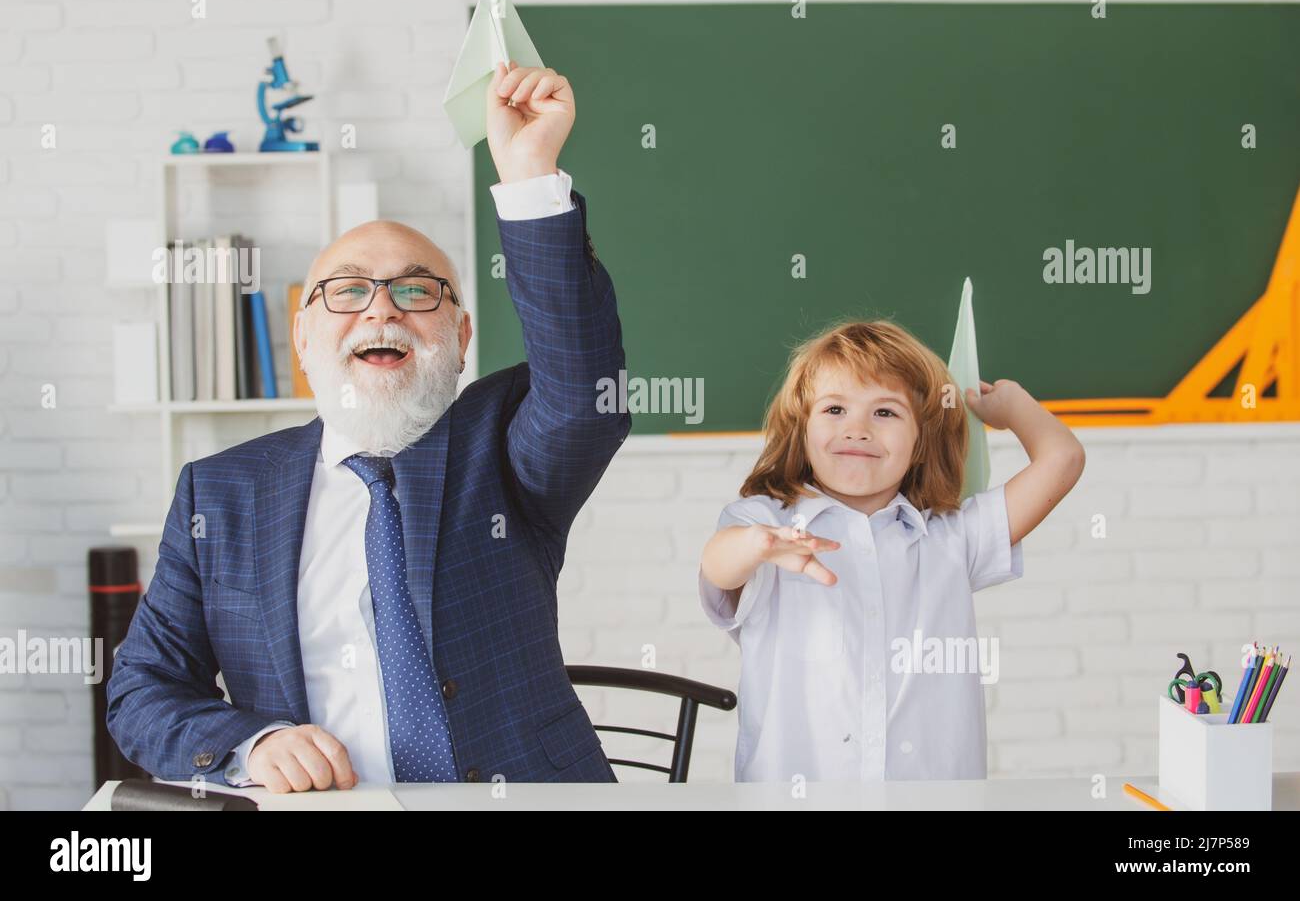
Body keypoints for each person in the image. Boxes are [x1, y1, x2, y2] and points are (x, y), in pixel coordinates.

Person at [108, 62, 631, 791]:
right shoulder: (217, 495)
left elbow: (583, 388)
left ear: (460, 334)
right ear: (302, 336)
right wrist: (251, 744)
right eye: (348, 290)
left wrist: (529, 172)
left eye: (416, 290)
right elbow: (142, 691)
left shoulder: (507, 449)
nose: (381, 311)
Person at [698, 320, 1085, 781]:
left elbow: (1063, 460)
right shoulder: (765, 522)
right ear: (802, 429)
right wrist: (758, 544)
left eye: (885, 413)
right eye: (835, 409)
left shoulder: (953, 538)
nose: (857, 429)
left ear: (921, 443)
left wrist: (1014, 405)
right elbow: (719, 566)